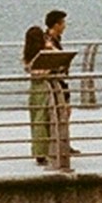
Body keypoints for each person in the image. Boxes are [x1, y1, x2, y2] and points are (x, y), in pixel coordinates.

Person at [22, 10, 71, 163]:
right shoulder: (44, 52)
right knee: (48, 119)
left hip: (35, 88)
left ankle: (40, 151)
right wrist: (50, 49)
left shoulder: (27, 54)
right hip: (46, 87)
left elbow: (29, 68)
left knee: (38, 120)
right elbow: (57, 63)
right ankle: (52, 150)